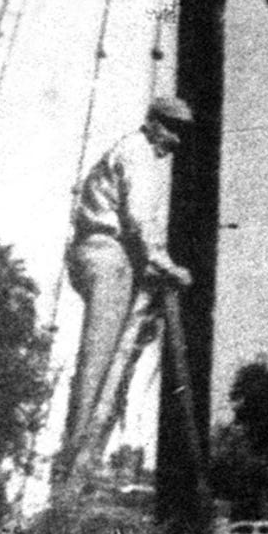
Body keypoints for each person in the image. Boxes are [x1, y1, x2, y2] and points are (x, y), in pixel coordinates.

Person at [57, 95, 196, 482]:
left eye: (181, 132)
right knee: (99, 363)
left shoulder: (136, 151)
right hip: (108, 253)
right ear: (152, 123)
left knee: (114, 360)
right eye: (170, 129)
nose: (175, 140)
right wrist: (165, 264)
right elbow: (137, 220)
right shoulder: (137, 153)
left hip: (111, 255)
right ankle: (76, 461)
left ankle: (85, 454)